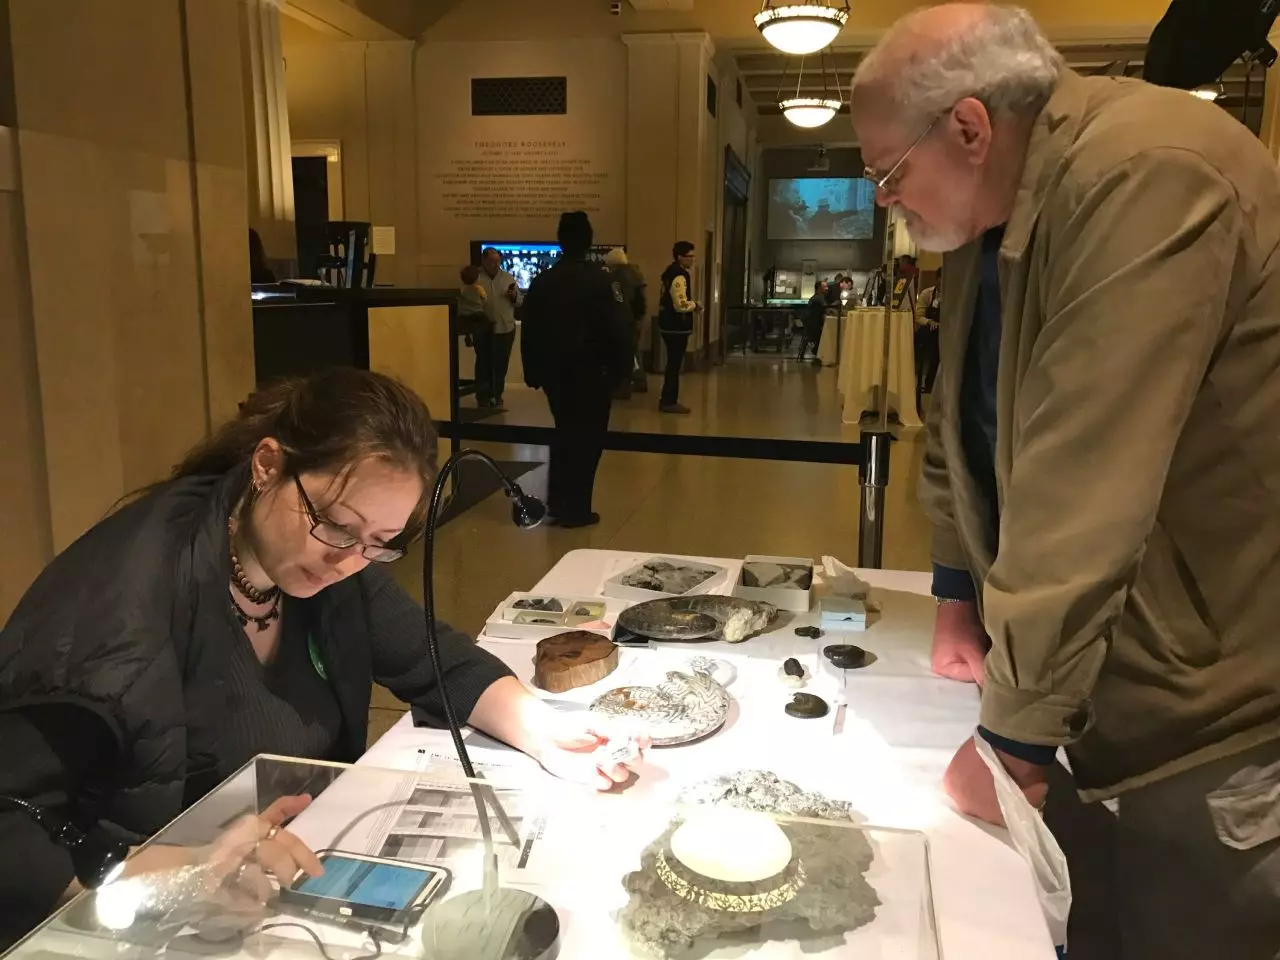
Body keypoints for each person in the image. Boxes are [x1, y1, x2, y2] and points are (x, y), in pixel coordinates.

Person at [852, 5, 1280, 957]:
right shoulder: (995, 214)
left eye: (889, 172)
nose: (883, 198)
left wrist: (1014, 740)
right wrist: (959, 585)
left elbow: (1087, 475)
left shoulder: (1146, 173)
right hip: (1089, 681)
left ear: (969, 128)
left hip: (1208, 713)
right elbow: (958, 417)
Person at [0, 368, 644, 947]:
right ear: (266, 465)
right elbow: (15, 845)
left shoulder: (329, 560)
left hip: (278, 883)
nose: (348, 560)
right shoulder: (113, 619)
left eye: (381, 543)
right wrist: (174, 875)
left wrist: (546, 730)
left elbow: (432, 657)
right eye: (337, 528)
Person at [520, 212, 628, 528]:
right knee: (589, 439)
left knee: (564, 431)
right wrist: (621, 372)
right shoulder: (604, 281)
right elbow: (618, 329)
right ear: (589, 240)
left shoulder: (543, 282)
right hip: (594, 374)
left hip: (556, 374)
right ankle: (577, 506)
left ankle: (558, 499)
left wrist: (532, 370)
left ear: (560, 240)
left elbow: (530, 330)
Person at [657, 240, 701, 414]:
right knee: (674, 365)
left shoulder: (668, 273)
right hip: (676, 326)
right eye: (689, 256)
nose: (692, 260)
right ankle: (669, 401)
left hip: (668, 324)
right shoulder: (679, 276)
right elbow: (680, 304)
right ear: (680, 257)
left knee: (673, 364)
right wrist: (695, 305)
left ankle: (668, 399)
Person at [475, 247, 519, 409]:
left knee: (500, 365)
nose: (495, 264)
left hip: (505, 328)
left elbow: (519, 300)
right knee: (483, 363)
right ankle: (483, 397)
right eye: (492, 261)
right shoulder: (476, 279)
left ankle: (497, 395)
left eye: (498, 261)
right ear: (484, 261)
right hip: (482, 329)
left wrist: (514, 296)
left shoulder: (508, 277)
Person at [604, 247, 648, 399]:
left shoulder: (616, 279)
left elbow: (618, 300)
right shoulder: (636, 274)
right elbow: (640, 300)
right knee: (633, 351)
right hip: (635, 319)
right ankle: (640, 381)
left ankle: (622, 387)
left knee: (621, 354)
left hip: (622, 319)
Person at [913, 265, 942, 415]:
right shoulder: (927, 294)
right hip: (929, 330)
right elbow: (918, 317)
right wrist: (930, 322)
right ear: (937, 279)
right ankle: (925, 382)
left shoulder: (955, 295)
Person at [798, 280, 828, 365]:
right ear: (819, 288)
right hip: (815, 328)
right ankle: (818, 352)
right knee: (831, 334)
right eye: (824, 287)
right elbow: (826, 309)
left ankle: (818, 352)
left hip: (810, 327)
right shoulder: (819, 298)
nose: (827, 288)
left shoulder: (814, 298)